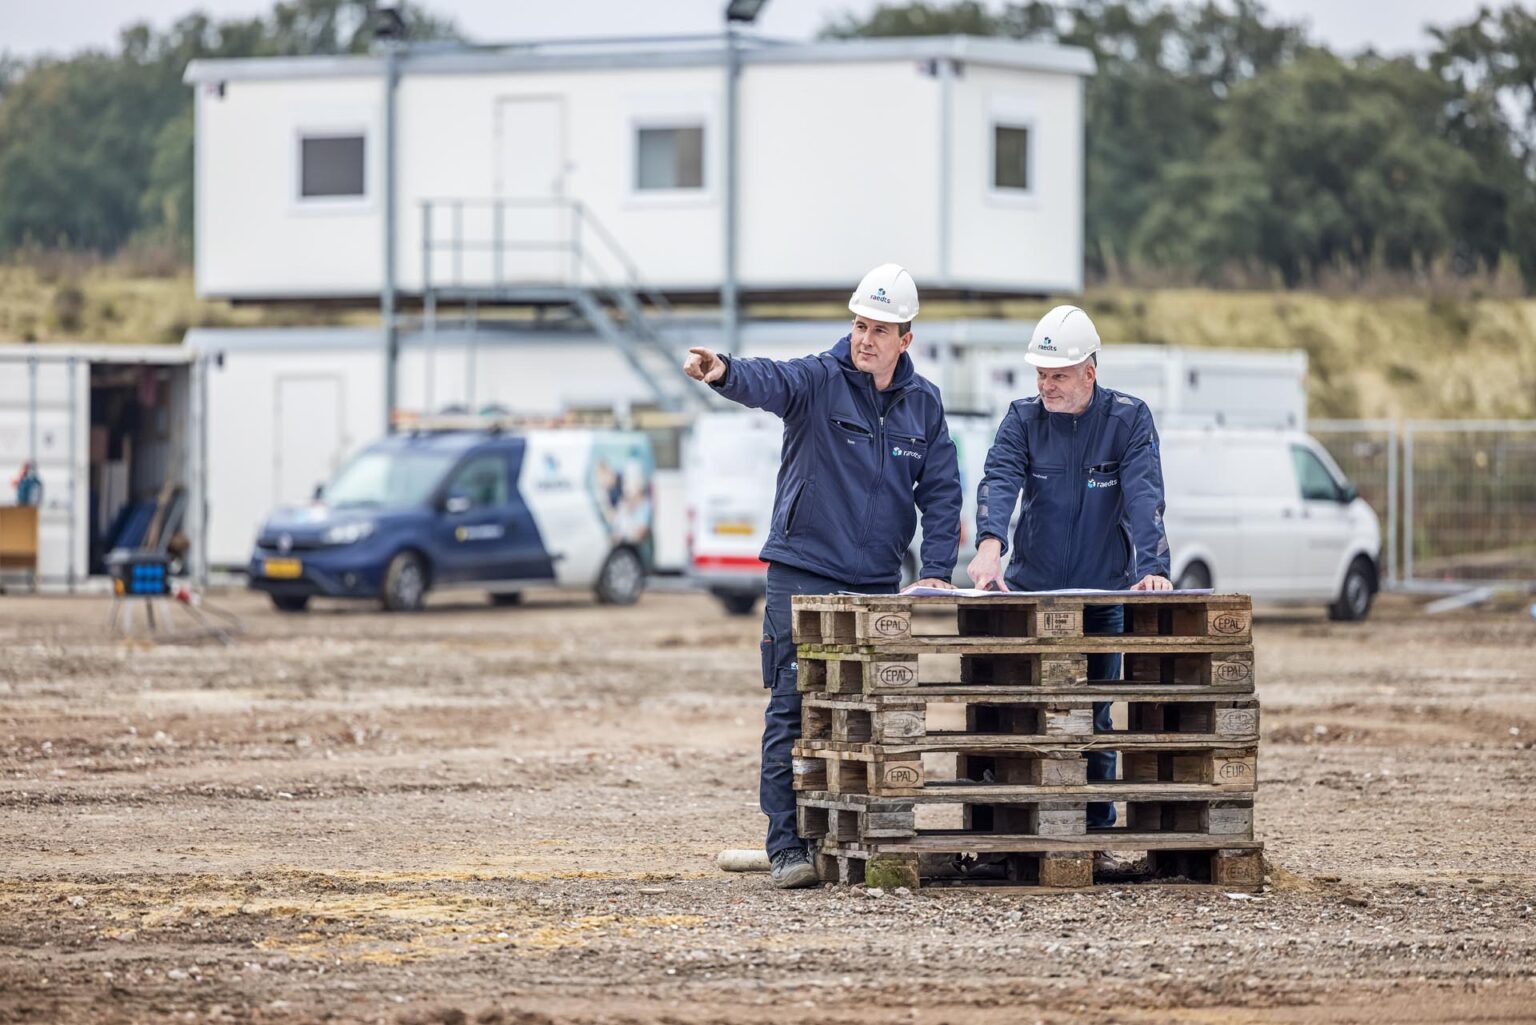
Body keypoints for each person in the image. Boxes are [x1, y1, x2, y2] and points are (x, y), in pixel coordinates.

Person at [683, 263, 964, 889]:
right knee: (792, 705)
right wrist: (723, 371)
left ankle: (849, 836)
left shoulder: (923, 404)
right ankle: (788, 846)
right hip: (802, 569)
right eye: (860, 325)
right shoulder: (819, 379)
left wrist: (937, 570)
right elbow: (771, 380)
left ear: (906, 339)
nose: (866, 339)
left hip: (875, 581)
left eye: (880, 330)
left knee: (866, 714)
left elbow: (943, 492)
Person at [966, 304, 1171, 842]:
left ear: (1089, 372)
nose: (1046, 386)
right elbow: (1000, 479)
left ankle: (1095, 834)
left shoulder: (1127, 420)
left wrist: (1153, 568)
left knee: (1093, 716)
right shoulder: (1023, 419)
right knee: (1015, 713)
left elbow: (1144, 493)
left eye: (1057, 376)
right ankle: (1008, 835)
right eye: (1040, 375)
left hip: (1101, 597)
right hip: (1031, 594)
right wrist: (990, 546)